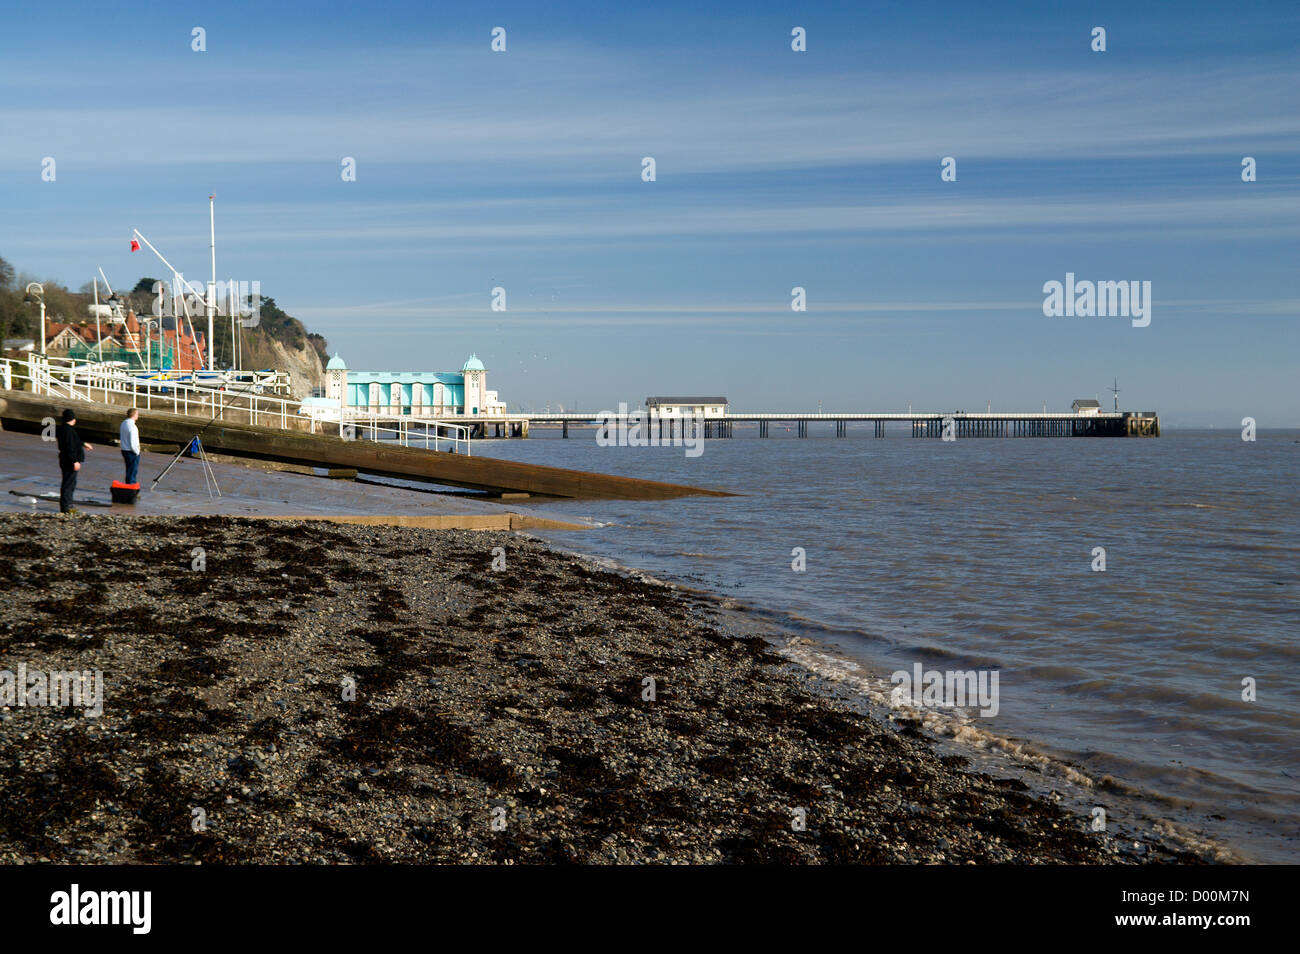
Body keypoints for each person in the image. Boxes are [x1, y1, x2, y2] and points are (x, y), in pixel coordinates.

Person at [55, 409, 93, 514]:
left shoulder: (65, 429)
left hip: (65, 460)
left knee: (70, 482)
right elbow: (69, 448)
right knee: (68, 484)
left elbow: (74, 442)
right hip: (69, 461)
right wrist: (75, 461)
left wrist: (83, 443)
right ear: (72, 419)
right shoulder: (68, 431)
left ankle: (68, 504)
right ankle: (66, 507)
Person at [119, 408, 141, 485]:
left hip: (124, 449)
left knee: (129, 470)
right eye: (137, 414)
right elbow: (133, 442)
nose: (138, 415)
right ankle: (131, 488)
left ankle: (128, 486)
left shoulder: (123, 423)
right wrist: (137, 452)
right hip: (131, 451)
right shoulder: (133, 427)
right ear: (134, 415)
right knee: (132, 471)